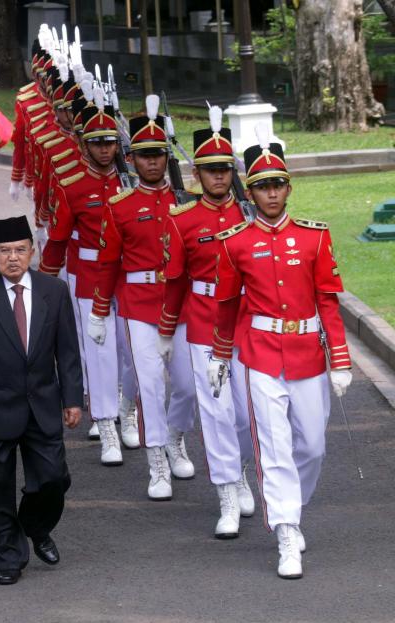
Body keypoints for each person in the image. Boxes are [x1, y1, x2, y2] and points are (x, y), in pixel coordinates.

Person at [211, 137, 351, 579]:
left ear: (288, 188)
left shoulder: (315, 236)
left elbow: (328, 301)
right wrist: (220, 355)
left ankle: (293, 503)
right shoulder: (234, 242)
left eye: (278, 184)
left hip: (308, 354)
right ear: (248, 193)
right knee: (274, 449)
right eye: (262, 186)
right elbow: (227, 304)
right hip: (260, 357)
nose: (271, 193)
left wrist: (341, 358)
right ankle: (286, 530)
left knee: (312, 445)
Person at [0, 215, 83, 585]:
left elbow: (68, 351)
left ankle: (35, 527)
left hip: (42, 403)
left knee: (54, 479)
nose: (13, 258)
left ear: (32, 251)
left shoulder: (53, 291)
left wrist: (73, 398)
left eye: (20, 250)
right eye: (5, 251)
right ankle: (8, 557)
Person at [88, 98, 197, 501]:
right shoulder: (120, 207)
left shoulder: (188, 203)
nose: (153, 163)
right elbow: (108, 264)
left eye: (159, 156)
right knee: (150, 385)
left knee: (186, 385)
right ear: (131, 159)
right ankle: (157, 464)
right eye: (145, 156)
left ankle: (175, 437)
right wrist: (100, 313)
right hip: (139, 306)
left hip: (182, 307)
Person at [159, 108, 257, 537]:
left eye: (224, 169)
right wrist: (166, 331)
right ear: (196, 173)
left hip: (247, 325)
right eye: (210, 170)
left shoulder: (253, 215)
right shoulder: (182, 220)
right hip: (202, 326)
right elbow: (176, 280)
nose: (219, 177)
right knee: (216, 411)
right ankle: (227, 492)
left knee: (245, 412)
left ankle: (241, 470)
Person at [40, 104, 124, 466]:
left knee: (129, 354)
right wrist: (43, 285)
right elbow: (57, 241)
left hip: (129, 280)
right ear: (84, 145)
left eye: (110, 143)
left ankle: (130, 409)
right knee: (101, 354)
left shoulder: (130, 183)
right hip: (89, 276)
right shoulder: (72, 187)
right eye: (97, 143)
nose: (105, 149)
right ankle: (106, 424)